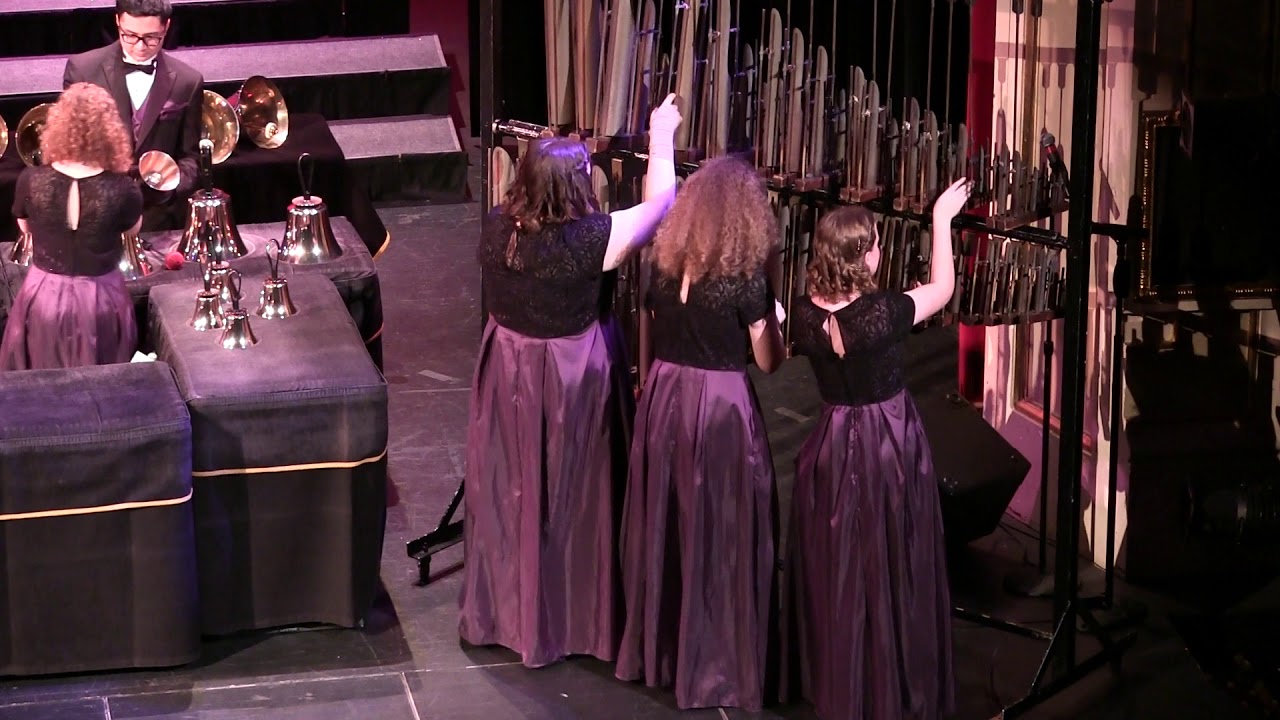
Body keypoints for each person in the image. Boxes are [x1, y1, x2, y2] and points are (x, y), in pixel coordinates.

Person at [458, 94, 683, 667]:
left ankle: (508, 613)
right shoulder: (593, 240)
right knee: (574, 495)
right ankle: (575, 619)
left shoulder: (494, 230)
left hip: (508, 372)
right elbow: (663, 202)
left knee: (515, 490)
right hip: (569, 377)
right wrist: (661, 135)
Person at [784, 178, 971, 720]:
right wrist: (940, 219)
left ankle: (843, 680)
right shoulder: (884, 312)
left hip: (832, 446)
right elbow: (942, 288)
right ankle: (891, 682)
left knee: (842, 568)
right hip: (887, 443)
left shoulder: (803, 314)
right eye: (875, 243)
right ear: (865, 254)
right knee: (891, 560)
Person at [615, 155, 787, 712]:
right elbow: (768, 363)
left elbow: (643, 321)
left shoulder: (662, 266)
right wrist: (774, 307)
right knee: (721, 531)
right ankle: (716, 661)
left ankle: (662, 651)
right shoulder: (742, 281)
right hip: (719, 411)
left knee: (668, 524)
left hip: (665, 398)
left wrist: (644, 379)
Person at [0, 83, 143, 371]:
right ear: (110, 132)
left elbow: (26, 228)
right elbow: (132, 231)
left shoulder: (30, 180)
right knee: (103, 388)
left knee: (43, 385)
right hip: (101, 300)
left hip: (44, 299)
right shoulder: (123, 188)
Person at [63, 0, 203, 230]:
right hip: (95, 214)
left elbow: (191, 158)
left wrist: (166, 189)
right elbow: (71, 146)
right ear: (117, 21)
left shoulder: (188, 81)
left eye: (151, 38)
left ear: (166, 27)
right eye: (130, 35)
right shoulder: (82, 69)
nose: (140, 47)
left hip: (157, 218)